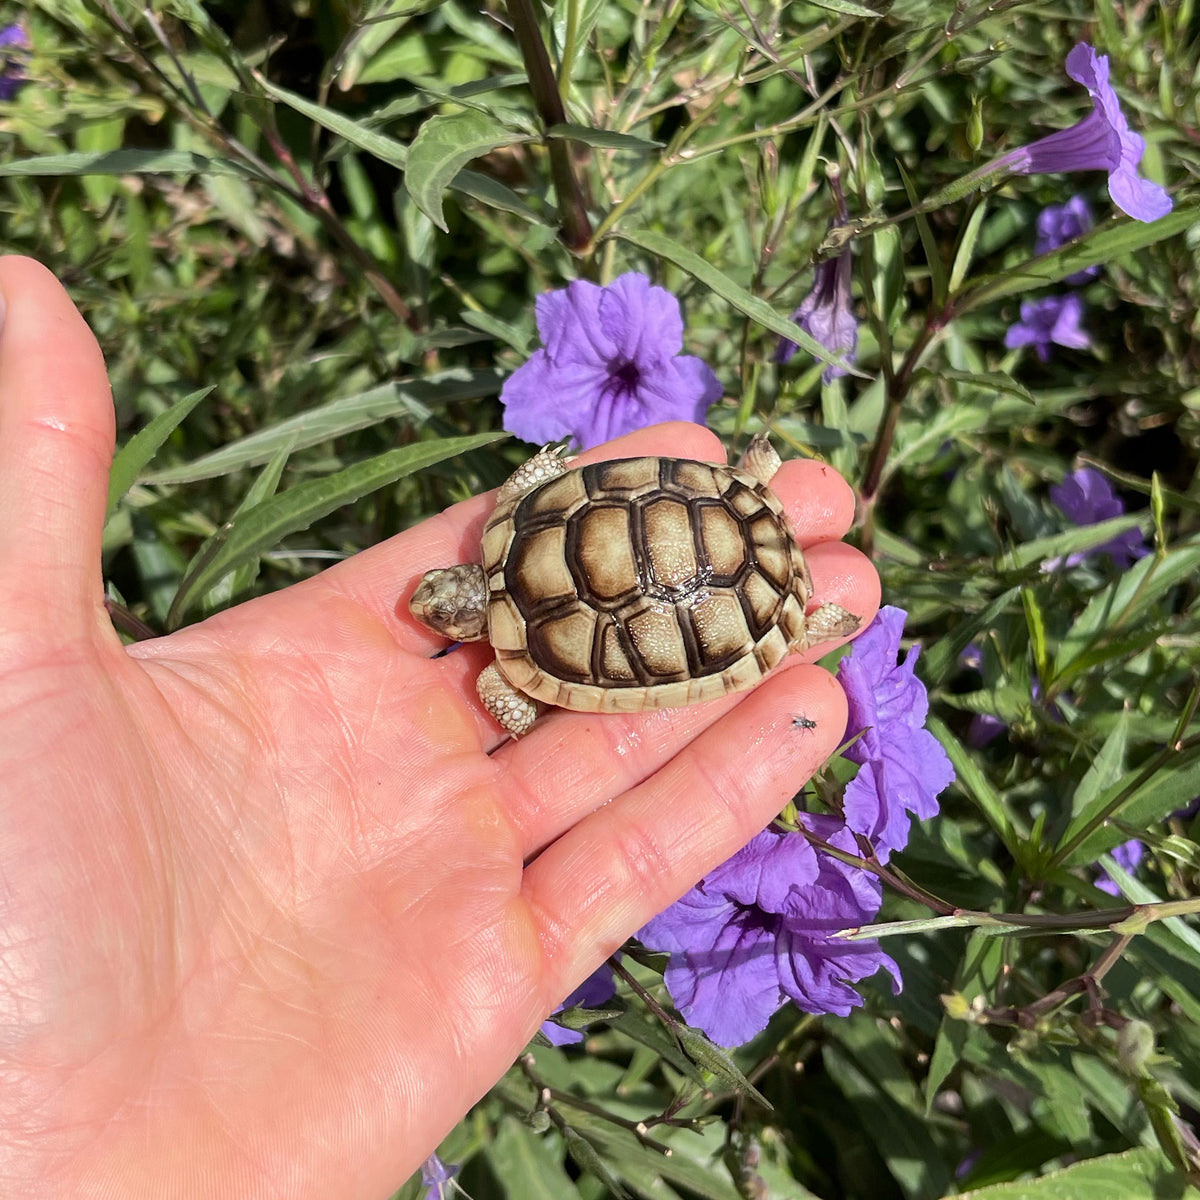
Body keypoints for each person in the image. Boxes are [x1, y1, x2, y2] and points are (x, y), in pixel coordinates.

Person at [0, 256, 879, 1197]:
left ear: (466, 610)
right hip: (697, 521)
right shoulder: (515, 530)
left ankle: (796, 624)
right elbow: (546, 486)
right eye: (442, 602)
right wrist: (542, 473)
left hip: (681, 565)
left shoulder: (513, 658)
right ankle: (787, 612)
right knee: (693, 573)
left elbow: (526, 685)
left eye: (443, 604)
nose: (434, 609)